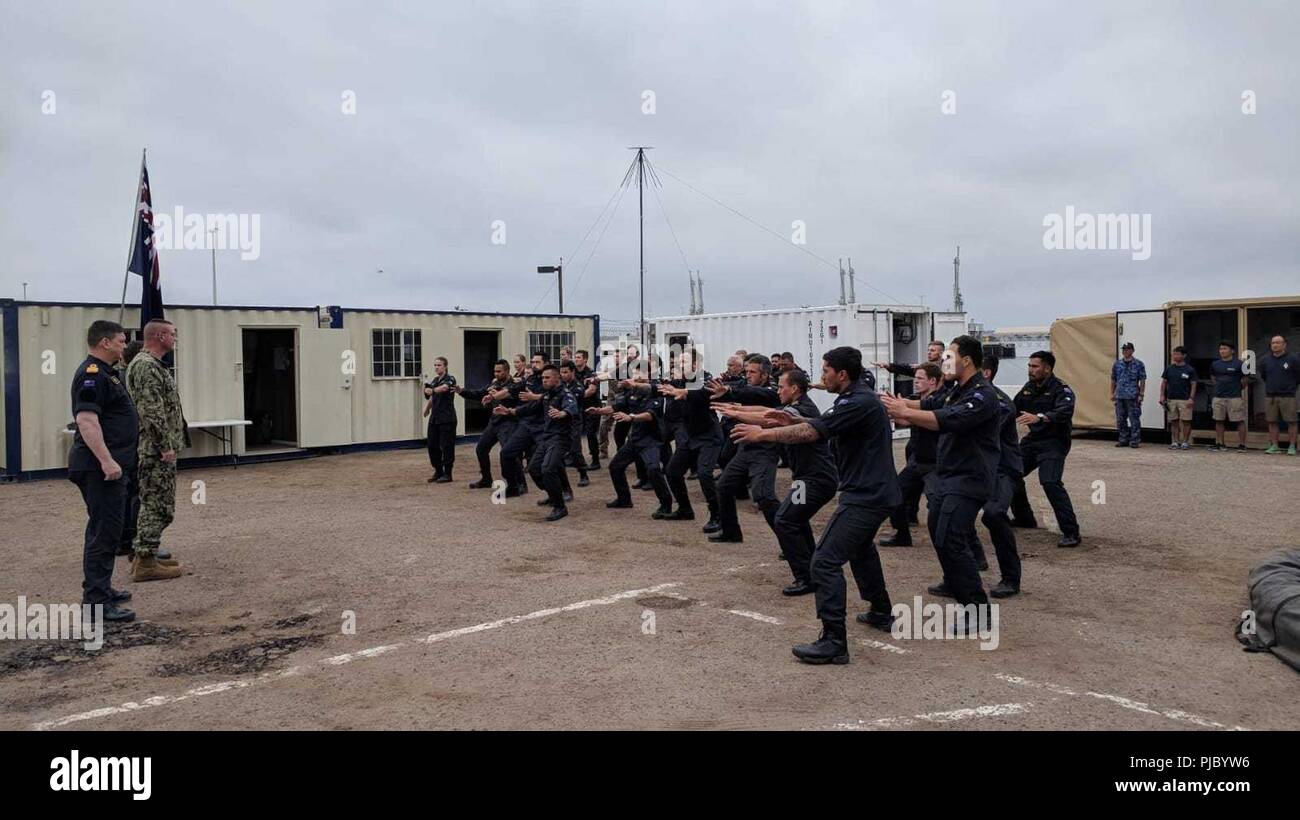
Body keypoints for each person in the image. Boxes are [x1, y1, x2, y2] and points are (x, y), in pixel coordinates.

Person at [732, 346, 899, 665]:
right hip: (864, 491)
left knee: (823, 560)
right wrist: (779, 421)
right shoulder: (851, 400)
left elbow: (810, 431)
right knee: (861, 548)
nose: (821, 377)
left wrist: (763, 434)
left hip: (856, 493)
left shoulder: (857, 401)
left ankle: (834, 641)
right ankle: (880, 611)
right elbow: (817, 424)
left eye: (825, 371)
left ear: (842, 374)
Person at [882, 336, 996, 616]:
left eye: (949, 356)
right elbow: (931, 404)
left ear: (966, 360)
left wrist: (905, 411)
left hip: (970, 478)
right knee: (939, 531)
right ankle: (955, 583)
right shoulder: (957, 390)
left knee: (952, 536)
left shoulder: (981, 394)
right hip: (948, 475)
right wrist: (897, 406)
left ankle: (977, 610)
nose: (944, 361)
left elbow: (947, 418)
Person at [720, 368, 837, 597]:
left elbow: (768, 418)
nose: (779, 391)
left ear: (794, 389)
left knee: (785, 520)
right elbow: (768, 410)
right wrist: (737, 408)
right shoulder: (793, 406)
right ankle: (811, 567)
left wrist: (737, 413)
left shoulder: (801, 408)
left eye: (782, 387)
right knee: (794, 518)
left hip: (817, 480)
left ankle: (805, 576)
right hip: (805, 479)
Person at [68, 321, 139, 621]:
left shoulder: (108, 374)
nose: (125, 346)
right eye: (122, 341)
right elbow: (86, 421)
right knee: (103, 533)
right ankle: (96, 604)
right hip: (100, 468)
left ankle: (102, 589)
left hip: (111, 466)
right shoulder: (92, 374)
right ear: (105, 343)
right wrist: (107, 461)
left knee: (108, 531)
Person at [124, 319, 186, 583]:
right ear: (160, 336)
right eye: (172, 334)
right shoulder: (147, 366)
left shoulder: (147, 364)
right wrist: (165, 445)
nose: (174, 339)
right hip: (156, 449)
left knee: (155, 502)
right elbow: (152, 411)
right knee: (158, 505)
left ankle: (143, 555)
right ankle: (147, 561)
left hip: (155, 447)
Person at [1010, 351, 1082, 548]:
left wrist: (1040, 417)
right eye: (1029, 366)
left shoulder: (1061, 389)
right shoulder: (1028, 388)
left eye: (1035, 367)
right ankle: (1024, 517)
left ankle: (1071, 532)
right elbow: (1012, 408)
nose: (1030, 370)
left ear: (1047, 369)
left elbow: (1064, 411)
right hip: (1033, 440)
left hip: (1054, 442)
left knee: (1050, 482)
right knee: (1010, 472)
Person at [708, 354, 781, 543]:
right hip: (745, 448)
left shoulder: (773, 390)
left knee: (764, 497)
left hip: (765, 451)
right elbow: (742, 392)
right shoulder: (746, 386)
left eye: (752, 372)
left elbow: (755, 395)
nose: (747, 375)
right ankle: (731, 532)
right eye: (746, 371)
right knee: (723, 487)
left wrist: (730, 393)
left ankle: (789, 540)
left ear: (765, 375)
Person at [497, 364, 576, 521]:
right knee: (534, 469)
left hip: (560, 439)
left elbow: (572, 408)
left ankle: (560, 507)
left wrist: (562, 413)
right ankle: (554, 495)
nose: (544, 381)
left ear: (557, 378)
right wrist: (511, 411)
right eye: (543, 378)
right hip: (547, 437)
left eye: (547, 378)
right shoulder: (547, 395)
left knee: (548, 469)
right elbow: (532, 407)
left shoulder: (565, 394)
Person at [879, 362, 946, 547]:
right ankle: (902, 535)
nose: (915, 382)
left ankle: (974, 554)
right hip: (918, 462)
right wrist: (895, 412)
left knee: (940, 507)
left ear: (932, 381)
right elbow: (907, 419)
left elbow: (928, 418)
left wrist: (905, 412)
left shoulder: (941, 400)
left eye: (920, 379)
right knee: (894, 495)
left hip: (936, 464)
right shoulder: (915, 399)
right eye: (915, 378)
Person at [657, 352, 723, 530]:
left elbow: (702, 393)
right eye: (679, 362)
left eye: (684, 361)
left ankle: (718, 516)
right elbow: (662, 388)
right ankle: (685, 509)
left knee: (704, 474)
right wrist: (639, 385)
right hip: (691, 436)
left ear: (696, 364)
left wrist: (683, 392)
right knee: (672, 471)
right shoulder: (680, 381)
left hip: (709, 436)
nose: (680, 365)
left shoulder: (707, 379)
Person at [590, 375, 673, 515]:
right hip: (635, 440)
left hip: (650, 440)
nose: (635, 381)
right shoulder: (631, 394)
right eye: (634, 378)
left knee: (653, 470)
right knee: (615, 467)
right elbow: (616, 407)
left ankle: (666, 504)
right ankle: (624, 500)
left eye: (639, 379)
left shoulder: (656, 395)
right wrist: (599, 411)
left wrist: (632, 417)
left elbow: (649, 415)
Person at [978, 355, 1022, 598]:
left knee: (994, 514)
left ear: (985, 373)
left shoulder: (1000, 402)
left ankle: (1011, 578)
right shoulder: (965, 395)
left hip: (1003, 468)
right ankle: (959, 575)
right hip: (980, 467)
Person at [455, 359, 516, 488]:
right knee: (481, 449)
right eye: (495, 371)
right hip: (494, 423)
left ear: (507, 371)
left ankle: (518, 484)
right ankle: (486, 479)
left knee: (509, 453)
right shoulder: (494, 384)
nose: (496, 374)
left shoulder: (514, 384)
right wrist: (461, 391)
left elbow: (515, 399)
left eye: (499, 371)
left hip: (508, 423)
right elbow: (479, 393)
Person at [498, 352, 548, 496]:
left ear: (546, 362)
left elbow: (554, 395)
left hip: (544, 426)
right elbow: (512, 389)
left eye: (537, 362)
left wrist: (534, 397)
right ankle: (513, 487)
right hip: (527, 423)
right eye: (532, 362)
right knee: (506, 453)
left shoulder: (552, 377)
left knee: (548, 463)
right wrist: (493, 396)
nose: (534, 364)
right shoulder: (530, 379)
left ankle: (561, 491)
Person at [1258, 335, 1299, 455]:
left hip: (1288, 395)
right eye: (1273, 343)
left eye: (1278, 343)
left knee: (1291, 421)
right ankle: (1274, 445)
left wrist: (1290, 387)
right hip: (1270, 395)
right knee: (1272, 421)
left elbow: (1298, 376)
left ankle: (1292, 446)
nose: (1275, 345)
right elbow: (1264, 376)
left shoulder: (1293, 359)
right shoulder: (1265, 360)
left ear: (1284, 345)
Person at [422, 357, 458, 482]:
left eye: (439, 365)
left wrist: (432, 390)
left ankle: (448, 474)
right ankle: (438, 471)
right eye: (435, 365)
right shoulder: (435, 380)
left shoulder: (450, 379)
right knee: (432, 445)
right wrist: (427, 408)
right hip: (435, 418)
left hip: (447, 418)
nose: (437, 367)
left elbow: (444, 389)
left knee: (447, 446)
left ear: (445, 366)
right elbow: (432, 396)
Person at [1209, 341, 1248, 452]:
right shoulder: (1215, 364)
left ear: (1232, 351)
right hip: (1218, 397)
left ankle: (1242, 445)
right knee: (1218, 420)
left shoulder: (1240, 364)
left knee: (1239, 420)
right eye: (1221, 349)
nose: (1222, 351)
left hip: (1234, 397)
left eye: (1225, 348)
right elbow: (1212, 376)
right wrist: (1216, 386)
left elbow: (1245, 379)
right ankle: (1220, 443)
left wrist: (1238, 388)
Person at [559, 361, 591, 487]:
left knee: (575, 450)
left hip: (574, 422)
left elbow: (570, 403)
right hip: (561, 422)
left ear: (573, 372)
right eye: (561, 372)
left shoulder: (578, 387)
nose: (563, 375)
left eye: (566, 372)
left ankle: (584, 474)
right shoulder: (561, 385)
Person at [1159, 346, 1197, 451]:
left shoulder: (1190, 369)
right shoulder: (1169, 368)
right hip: (1171, 399)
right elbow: (1164, 383)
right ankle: (1175, 441)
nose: (1175, 356)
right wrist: (1162, 395)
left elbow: (1193, 384)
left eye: (1177, 354)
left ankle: (1185, 442)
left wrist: (1191, 398)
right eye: (1174, 354)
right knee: (1174, 421)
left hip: (1185, 399)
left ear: (1184, 356)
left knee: (1186, 421)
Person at [1111, 342, 1146, 448]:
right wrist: (1112, 393)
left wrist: (1141, 394)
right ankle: (1123, 439)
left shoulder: (1139, 364)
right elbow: (1113, 379)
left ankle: (1135, 441)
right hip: (1120, 395)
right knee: (1120, 419)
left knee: (1134, 419)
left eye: (1127, 349)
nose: (1125, 351)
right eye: (1124, 350)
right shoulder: (1117, 364)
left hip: (1133, 396)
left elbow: (1142, 380)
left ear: (1132, 351)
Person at [573, 349, 601, 468]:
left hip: (592, 406)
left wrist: (577, 396)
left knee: (590, 433)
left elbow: (592, 390)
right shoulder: (573, 373)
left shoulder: (591, 373)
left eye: (579, 357)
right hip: (580, 407)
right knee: (576, 433)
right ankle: (574, 458)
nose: (576, 359)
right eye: (575, 357)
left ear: (585, 359)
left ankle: (595, 460)